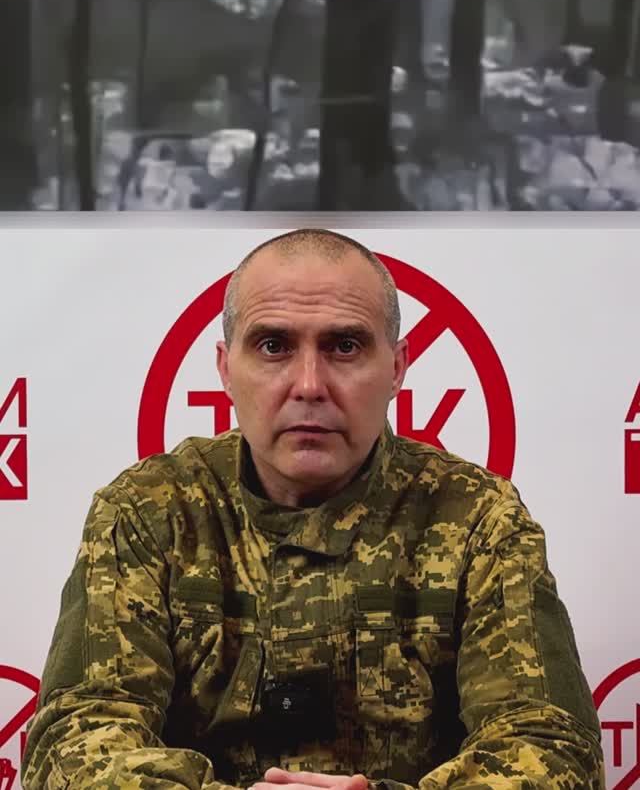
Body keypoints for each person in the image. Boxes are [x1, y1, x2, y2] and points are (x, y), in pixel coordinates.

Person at [22, 228, 605, 790]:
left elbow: (552, 748)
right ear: (226, 370)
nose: (308, 385)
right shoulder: (150, 512)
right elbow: (74, 742)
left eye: (344, 346)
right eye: (273, 346)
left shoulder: (477, 518)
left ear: (397, 367)